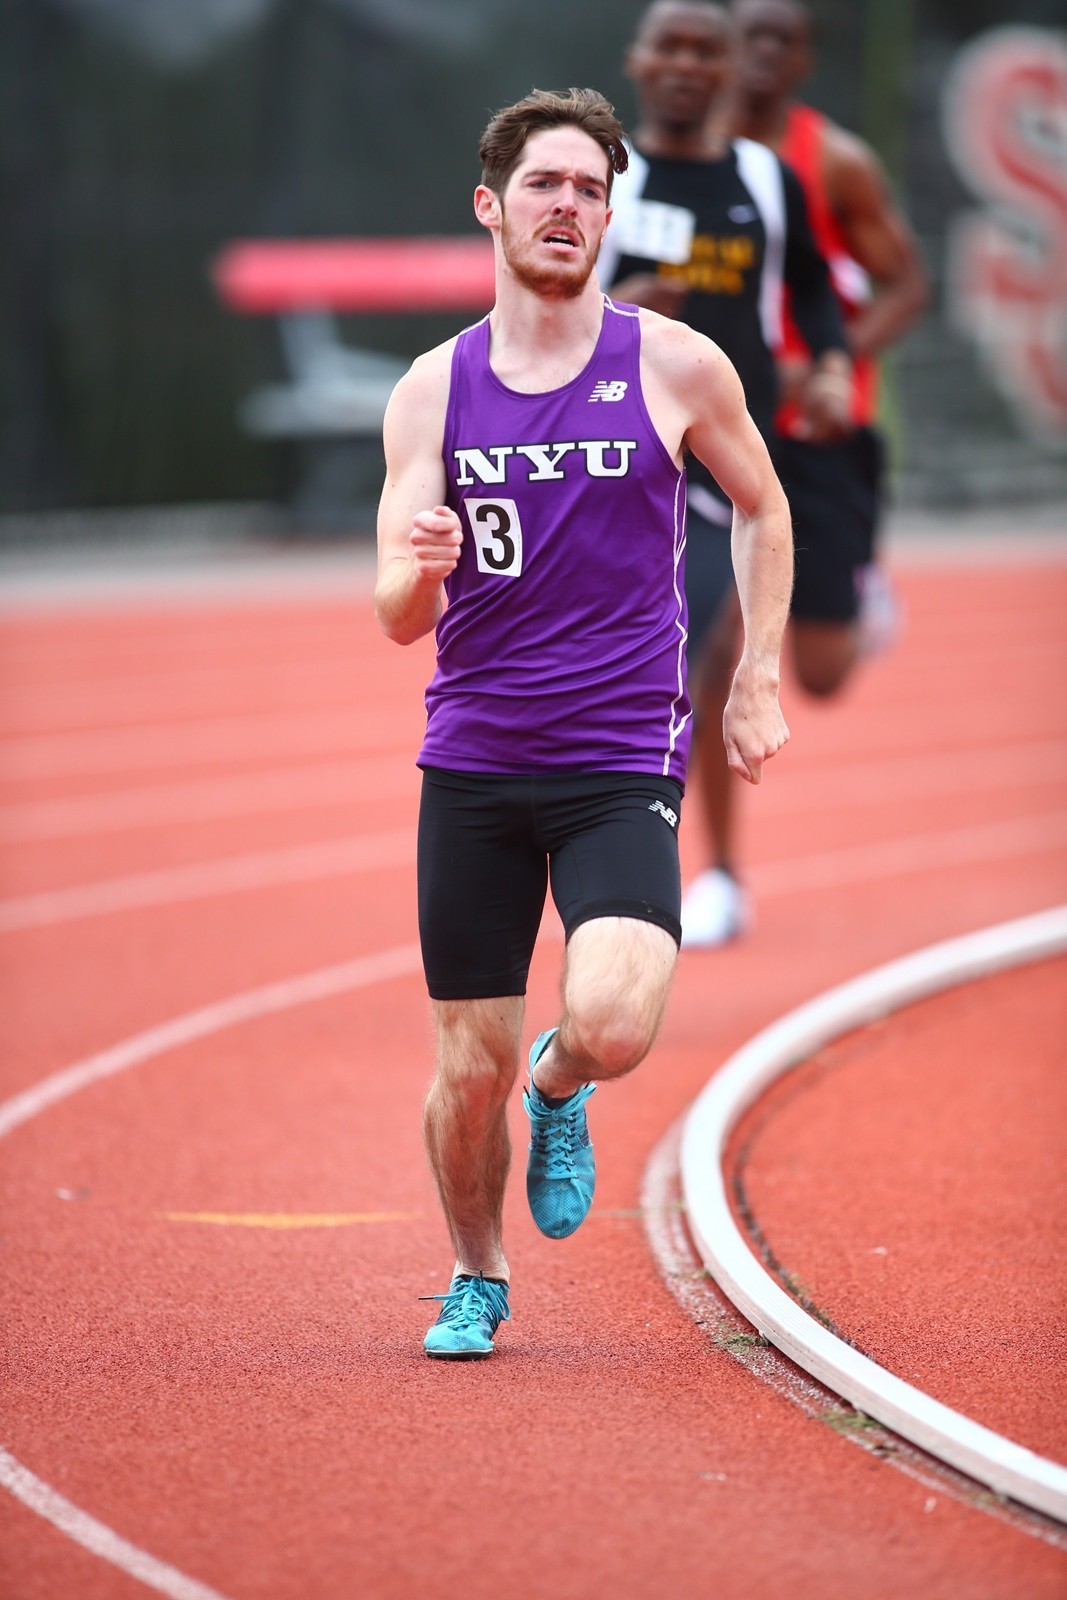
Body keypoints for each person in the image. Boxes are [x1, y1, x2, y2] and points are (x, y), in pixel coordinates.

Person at [375, 86, 793, 1359]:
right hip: (475, 763)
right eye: (546, 185)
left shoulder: (669, 362)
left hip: (618, 757)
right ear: (492, 207)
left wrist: (754, 676)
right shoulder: (431, 390)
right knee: (464, 1071)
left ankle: (562, 1088)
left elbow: (765, 510)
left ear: (610, 218)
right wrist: (426, 565)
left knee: (610, 1021)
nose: (568, 207)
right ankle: (476, 1275)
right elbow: (394, 611)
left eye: (590, 191)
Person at [597, 0, 856, 947]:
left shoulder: (761, 176)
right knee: (652, 669)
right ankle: (646, 864)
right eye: (669, 45)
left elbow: (817, 296)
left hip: (739, 457)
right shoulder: (602, 175)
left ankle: (715, 878)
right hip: (627, 466)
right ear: (637, 59)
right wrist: (615, 305)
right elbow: (544, 308)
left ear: (728, 68)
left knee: (711, 663)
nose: (687, 65)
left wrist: (826, 367)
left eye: (707, 50)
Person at [677, 0, 931, 945]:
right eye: (740, 36)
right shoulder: (663, 165)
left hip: (816, 438)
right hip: (708, 441)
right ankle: (722, 880)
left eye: (779, 38)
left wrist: (831, 362)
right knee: (710, 653)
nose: (755, 56)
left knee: (818, 673)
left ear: (801, 59)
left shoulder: (834, 164)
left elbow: (905, 283)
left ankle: (857, 591)